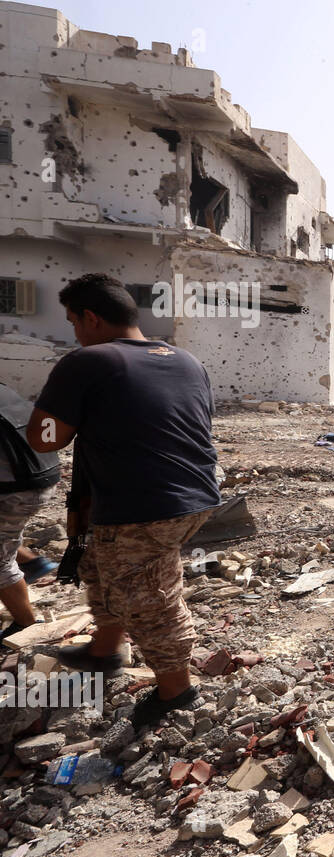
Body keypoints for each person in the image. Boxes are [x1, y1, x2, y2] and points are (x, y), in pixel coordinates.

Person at [25, 273, 221, 729]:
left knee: (148, 598)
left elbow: (45, 438)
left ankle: (177, 692)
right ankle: (104, 649)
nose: (75, 331)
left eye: (75, 321)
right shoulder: (186, 359)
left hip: (145, 506)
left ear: (91, 319)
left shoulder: (87, 362)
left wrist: (67, 410)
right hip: (194, 494)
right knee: (98, 564)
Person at [0, 382, 62, 639]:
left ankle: (25, 626)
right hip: (39, 476)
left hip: (17, 488)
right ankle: (34, 563)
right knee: (6, 537)